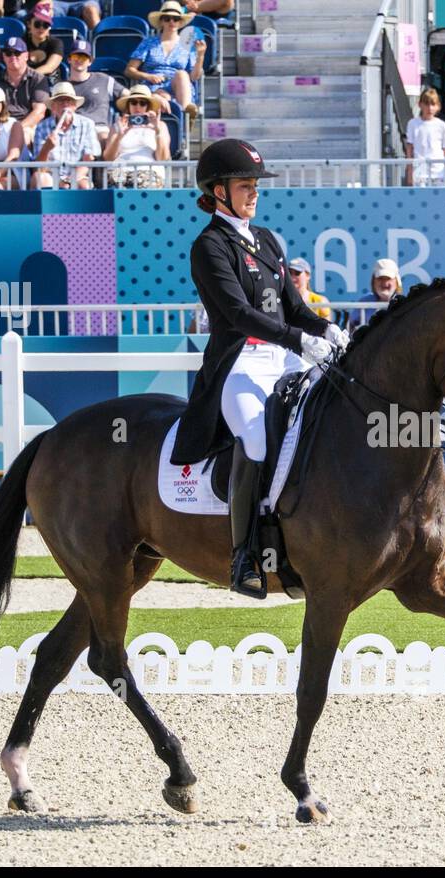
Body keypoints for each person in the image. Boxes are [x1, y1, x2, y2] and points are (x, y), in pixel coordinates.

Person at [167, 139, 348, 596]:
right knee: (253, 435)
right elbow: (238, 314)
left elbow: (295, 306)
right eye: (245, 185)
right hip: (238, 365)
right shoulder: (209, 246)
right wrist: (299, 339)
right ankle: (244, 555)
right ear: (219, 191)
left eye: (255, 186)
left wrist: (326, 330)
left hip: (283, 359)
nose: (254, 193)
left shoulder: (265, 240)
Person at [126, 1, 208, 115]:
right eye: (167, 18)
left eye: (176, 19)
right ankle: (182, 118)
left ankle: (185, 116)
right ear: (161, 21)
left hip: (179, 86)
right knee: (163, 96)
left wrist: (200, 56)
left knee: (182, 74)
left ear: (180, 22)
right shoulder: (148, 42)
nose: (171, 22)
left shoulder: (187, 45)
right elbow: (129, 70)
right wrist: (148, 76)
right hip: (152, 86)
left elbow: (194, 77)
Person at [33, 81, 100, 189]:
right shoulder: (42, 127)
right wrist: (46, 148)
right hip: (51, 177)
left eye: (69, 101)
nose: (65, 105)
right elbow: (40, 168)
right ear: (53, 107)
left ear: (74, 106)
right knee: (41, 179)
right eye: (60, 101)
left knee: (85, 186)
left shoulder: (87, 124)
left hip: (78, 176)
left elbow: (88, 160)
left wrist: (69, 181)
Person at [103, 84, 171, 187]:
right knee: (117, 184)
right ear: (128, 105)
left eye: (142, 103)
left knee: (141, 183)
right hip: (120, 170)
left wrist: (157, 132)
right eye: (133, 102)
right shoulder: (118, 125)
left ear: (147, 106)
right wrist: (120, 135)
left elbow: (163, 158)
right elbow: (108, 158)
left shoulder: (160, 126)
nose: (137, 107)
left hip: (149, 171)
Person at [0, 36, 51, 147]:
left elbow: (39, 113)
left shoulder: (39, 79)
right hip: (2, 124)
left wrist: (17, 128)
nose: (13, 57)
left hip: (28, 125)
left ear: (26, 56)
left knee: (23, 135)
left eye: (17, 53)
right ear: (3, 57)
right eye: (8, 53)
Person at [67, 39, 127, 146]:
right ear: (69, 59)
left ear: (90, 61)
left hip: (98, 127)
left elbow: (128, 96)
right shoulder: (63, 86)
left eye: (84, 57)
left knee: (105, 138)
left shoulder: (103, 79)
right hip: (72, 128)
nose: (79, 60)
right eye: (76, 57)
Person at [404, 87, 445, 186]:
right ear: (420, 104)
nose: (430, 108)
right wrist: (410, 171)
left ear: (438, 107)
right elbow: (409, 149)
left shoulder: (442, 125)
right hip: (419, 171)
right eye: (426, 104)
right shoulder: (412, 124)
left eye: (433, 104)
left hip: (439, 171)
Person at [24, 3, 64, 78]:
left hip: (51, 85)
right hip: (26, 85)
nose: (41, 28)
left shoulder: (56, 43)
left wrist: (29, 76)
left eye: (46, 25)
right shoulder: (22, 43)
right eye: (37, 24)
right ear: (29, 24)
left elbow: (50, 67)